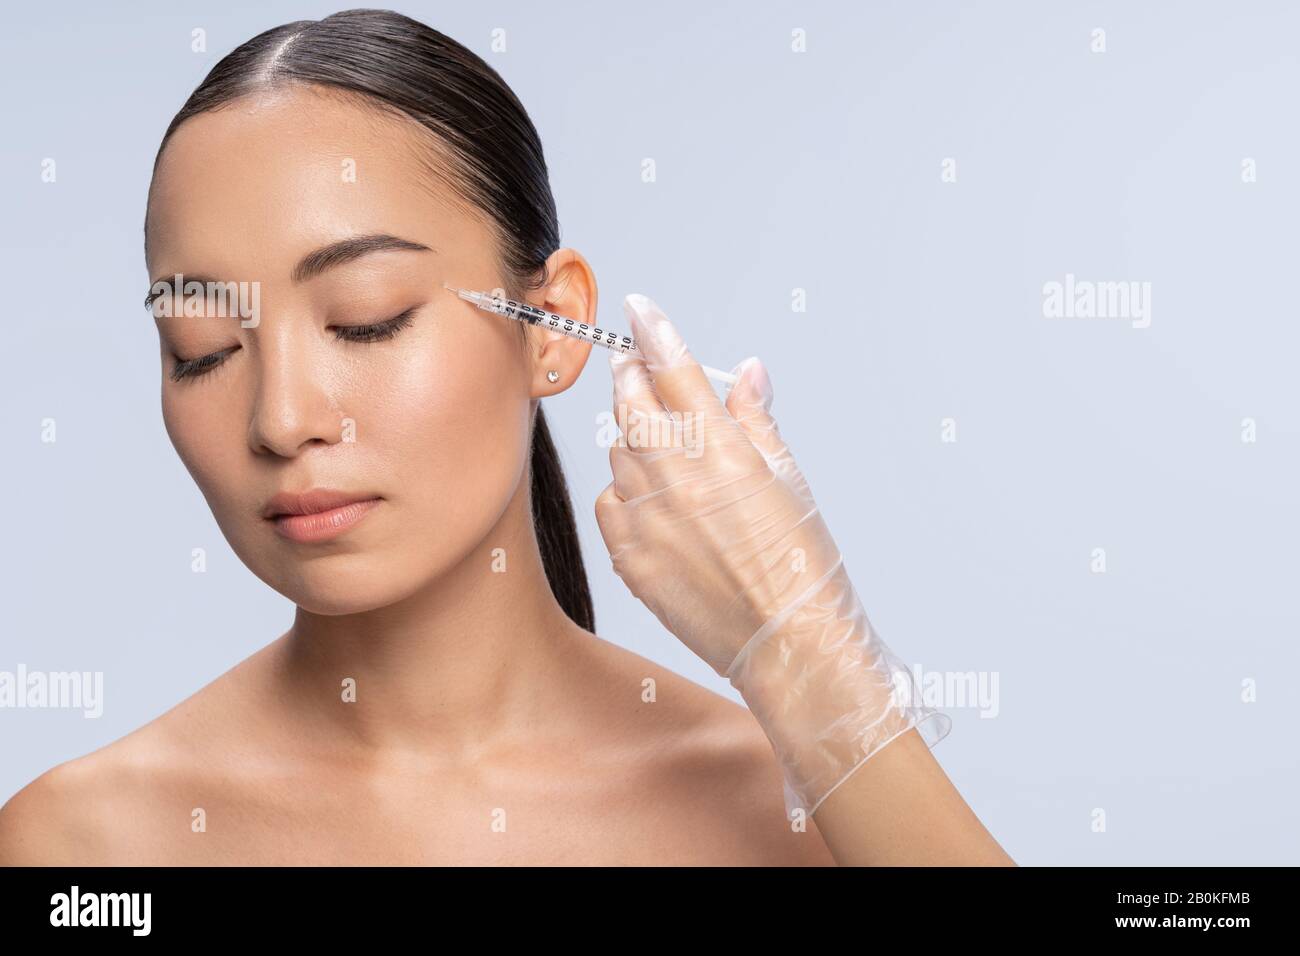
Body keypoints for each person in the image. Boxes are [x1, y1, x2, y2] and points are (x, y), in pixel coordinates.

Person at [0, 9, 1011, 866]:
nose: (281, 418)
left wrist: (812, 668)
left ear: (550, 326)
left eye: (366, 317)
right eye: (202, 347)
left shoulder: (795, 816)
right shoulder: (86, 843)